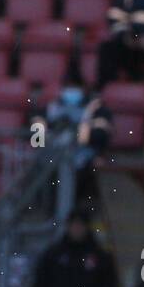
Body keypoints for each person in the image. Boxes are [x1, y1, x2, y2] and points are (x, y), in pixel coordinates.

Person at [33, 66, 111, 202]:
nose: (71, 91)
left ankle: (80, 214)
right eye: (68, 87)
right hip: (54, 155)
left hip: (83, 155)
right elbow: (36, 138)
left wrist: (81, 135)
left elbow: (101, 135)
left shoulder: (96, 110)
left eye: (75, 87)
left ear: (83, 89)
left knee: (86, 171)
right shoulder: (50, 108)